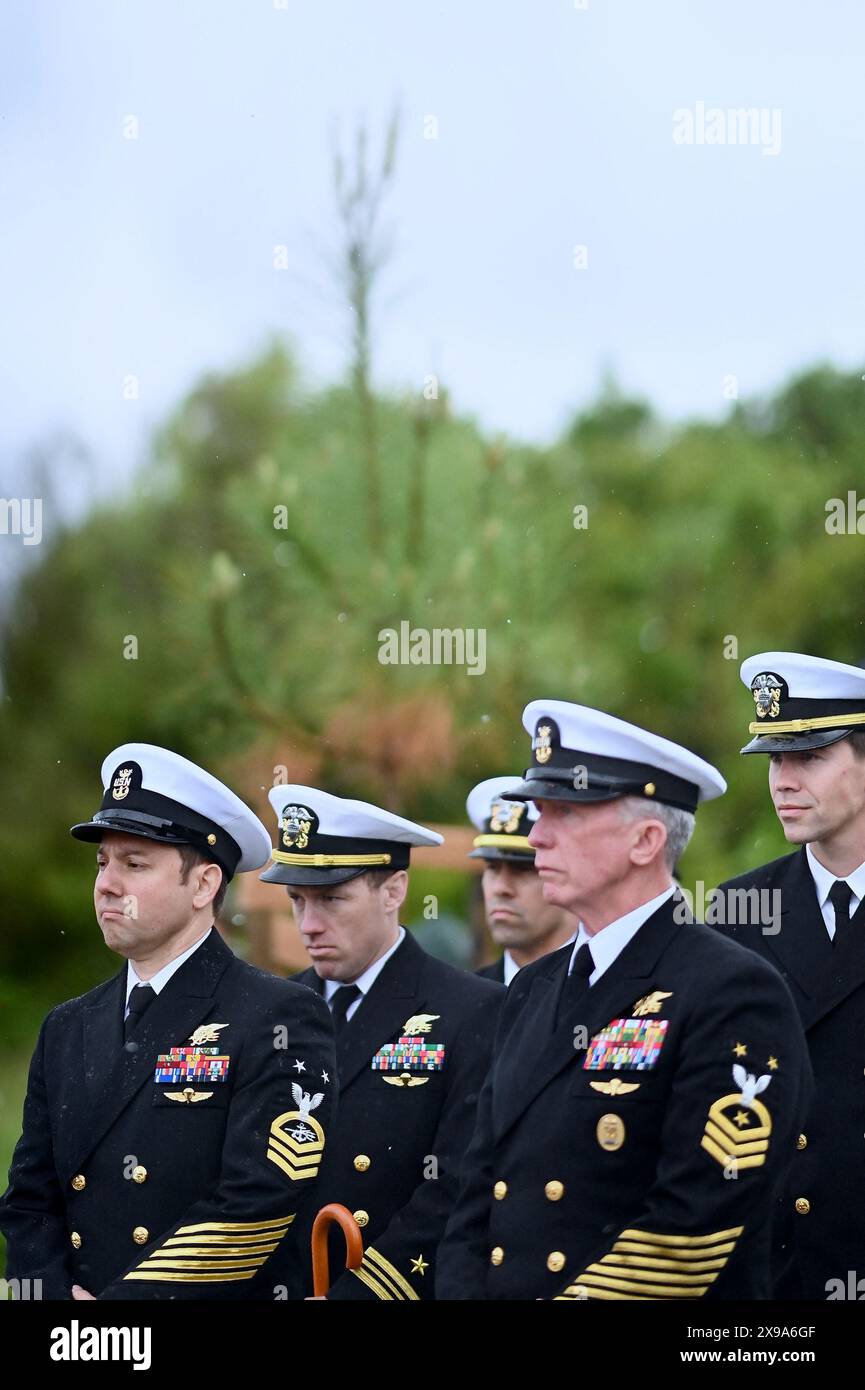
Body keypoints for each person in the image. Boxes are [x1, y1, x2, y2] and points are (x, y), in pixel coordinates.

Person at [436, 700, 811, 1301]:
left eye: (564, 812)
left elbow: (691, 1229)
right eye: (537, 812)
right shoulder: (532, 987)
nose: (536, 836)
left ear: (645, 840)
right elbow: (475, 1191)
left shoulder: (732, 993)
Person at [0, 744, 336, 1301]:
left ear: (204, 885)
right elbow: (29, 1202)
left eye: (134, 864)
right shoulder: (67, 1026)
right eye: (102, 863)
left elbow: (257, 1205)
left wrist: (117, 1319)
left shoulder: (277, 1015)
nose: (107, 883)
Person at [260, 785, 503, 1300]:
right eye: (297, 901)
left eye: (330, 899)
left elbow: (455, 1185)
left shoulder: (471, 1009)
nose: (308, 925)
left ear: (393, 891)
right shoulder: (274, 1011)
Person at [713, 651, 865, 1299]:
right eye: (775, 759)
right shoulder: (732, 913)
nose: (782, 781)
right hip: (773, 1275)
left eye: (808, 758)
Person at [467, 776, 576, 983]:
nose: (500, 887)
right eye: (492, 867)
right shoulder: (463, 1000)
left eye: (524, 869)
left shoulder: (603, 988)